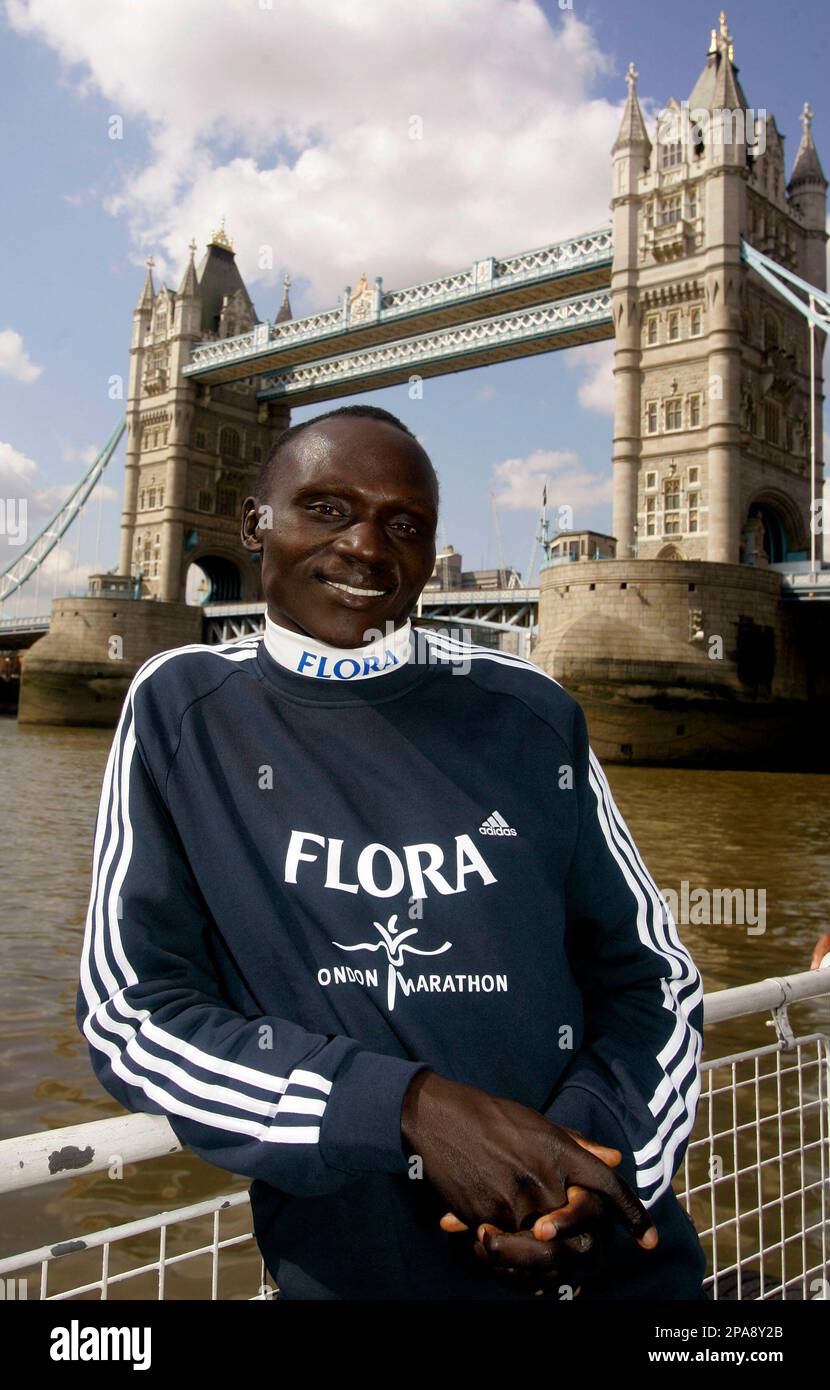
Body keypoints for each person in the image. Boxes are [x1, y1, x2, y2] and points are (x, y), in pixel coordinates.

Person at [77, 404, 706, 1300]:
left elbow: (652, 979)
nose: (368, 548)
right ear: (255, 525)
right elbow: (133, 1014)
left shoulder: (525, 710)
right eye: (327, 509)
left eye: (404, 525)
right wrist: (402, 1110)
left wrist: (591, 1166)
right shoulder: (183, 710)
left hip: (622, 1267)